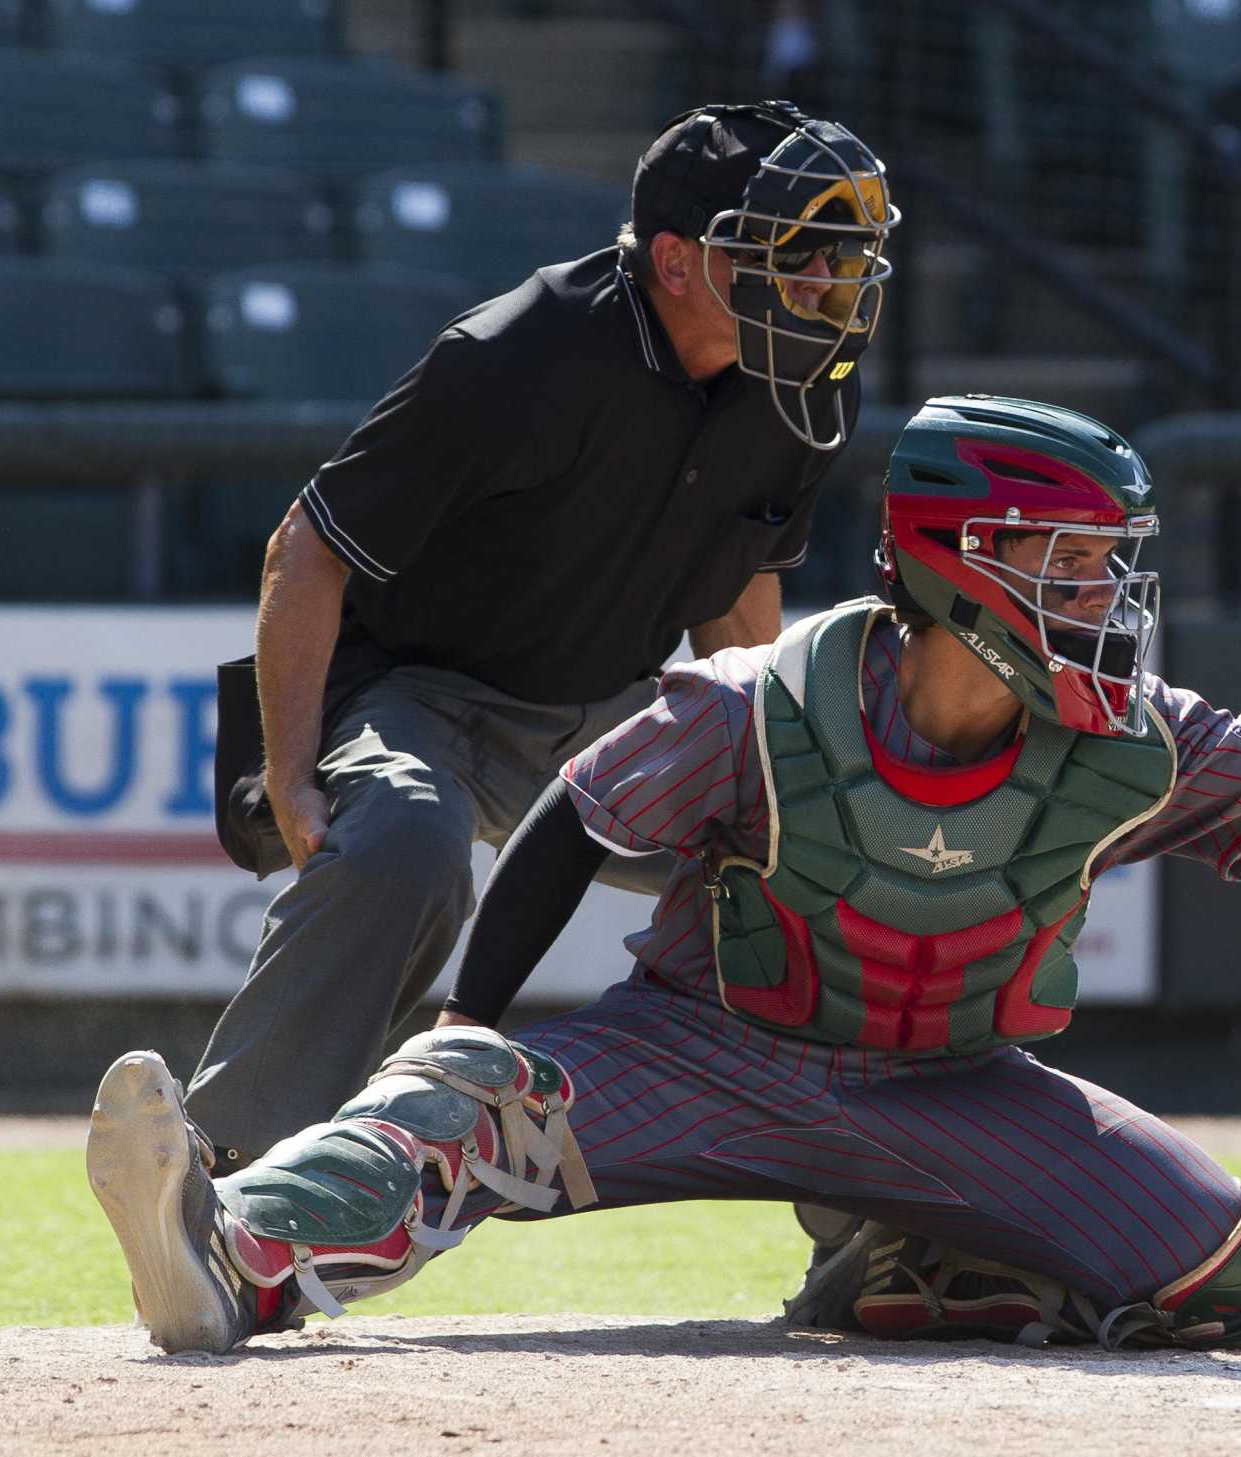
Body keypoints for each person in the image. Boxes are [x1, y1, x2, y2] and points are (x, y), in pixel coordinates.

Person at [88, 396, 1241, 1356]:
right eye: (1066, 566)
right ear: (955, 563)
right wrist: (473, 1015)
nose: (1105, 600)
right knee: (460, 1109)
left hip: (951, 1087)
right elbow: (569, 825)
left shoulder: (1133, 734)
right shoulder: (761, 704)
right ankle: (227, 1246)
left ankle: (896, 1270)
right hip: (700, 1050)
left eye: (1107, 566)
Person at [187, 101, 899, 1175]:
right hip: (416, 691)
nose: (822, 289)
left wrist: (788, 785)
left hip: (606, 709)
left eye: (837, 263)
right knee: (404, 841)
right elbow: (306, 547)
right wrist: (289, 774)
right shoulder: (517, 351)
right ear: (675, 260)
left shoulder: (799, 385)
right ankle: (228, 1174)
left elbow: (738, 606)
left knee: (823, 870)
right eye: (788, 258)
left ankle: (878, 1216)